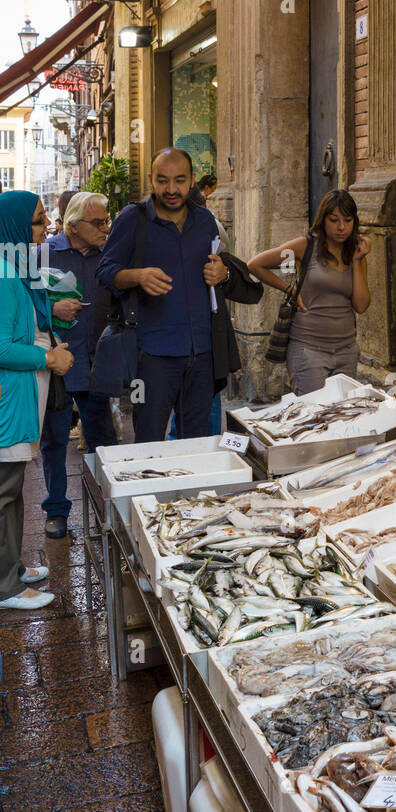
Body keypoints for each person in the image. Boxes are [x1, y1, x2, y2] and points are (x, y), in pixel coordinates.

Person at [97, 147, 255, 442]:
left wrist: (224, 273)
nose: (171, 189)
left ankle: (191, 490)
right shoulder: (133, 218)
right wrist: (137, 276)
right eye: (162, 180)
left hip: (203, 352)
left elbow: (220, 269)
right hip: (153, 354)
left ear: (192, 180)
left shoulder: (205, 221)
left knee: (196, 440)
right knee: (149, 440)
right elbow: (104, 272)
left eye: (179, 180)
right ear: (151, 179)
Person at [0, 191, 73, 609]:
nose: (46, 227)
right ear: (12, 227)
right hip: (9, 402)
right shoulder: (5, 275)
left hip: (19, 398)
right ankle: (5, 586)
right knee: (5, 491)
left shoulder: (15, 267)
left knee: (11, 488)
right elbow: (2, 346)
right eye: (37, 220)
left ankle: (10, 568)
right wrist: (47, 356)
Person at [39, 192, 114, 539]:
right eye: (97, 222)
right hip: (57, 361)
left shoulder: (110, 255)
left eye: (106, 220)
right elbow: (20, 302)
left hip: (98, 360)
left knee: (103, 439)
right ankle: (56, 510)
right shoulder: (43, 253)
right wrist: (52, 311)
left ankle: (107, 508)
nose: (105, 227)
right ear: (73, 225)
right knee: (54, 441)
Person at [248, 189, 371, 395]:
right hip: (309, 351)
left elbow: (361, 305)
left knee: (343, 419)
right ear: (323, 220)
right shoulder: (305, 246)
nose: (341, 227)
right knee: (314, 418)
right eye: (334, 220)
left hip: (346, 351)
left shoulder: (355, 254)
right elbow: (255, 265)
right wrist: (289, 288)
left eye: (348, 221)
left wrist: (358, 261)